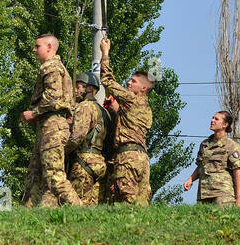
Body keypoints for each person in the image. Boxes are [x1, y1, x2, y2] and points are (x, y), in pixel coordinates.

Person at [21, 34, 80, 206]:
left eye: (37, 46)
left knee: (55, 176)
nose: (34, 49)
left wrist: (34, 113)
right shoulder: (51, 67)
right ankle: (27, 214)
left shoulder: (51, 67)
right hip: (46, 126)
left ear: (49, 47)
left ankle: (79, 210)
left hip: (52, 126)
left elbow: (53, 96)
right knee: (35, 176)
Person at [99, 37, 154, 204]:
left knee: (126, 200)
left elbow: (107, 80)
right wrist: (117, 110)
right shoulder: (146, 108)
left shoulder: (131, 99)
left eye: (134, 81)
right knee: (141, 203)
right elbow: (130, 123)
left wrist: (105, 53)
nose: (129, 83)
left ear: (143, 88)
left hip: (127, 157)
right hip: (142, 158)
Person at [183, 110, 240, 206]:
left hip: (223, 196)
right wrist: (190, 179)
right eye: (212, 118)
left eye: (216, 119)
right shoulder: (205, 145)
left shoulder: (232, 146)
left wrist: (239, 198)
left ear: (225, 124)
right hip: (204, 194)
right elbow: (201, 166)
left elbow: (237, 171)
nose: (212, 120)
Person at [67, 72, 110, 206]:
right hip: (101, 164)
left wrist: (61, 151)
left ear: (89, 88)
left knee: (77, 206)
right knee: (94, 209)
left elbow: (77, 137)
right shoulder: (105, 112)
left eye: (79, 86)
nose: (75, 90)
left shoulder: (85, 106)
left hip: (83, 162)